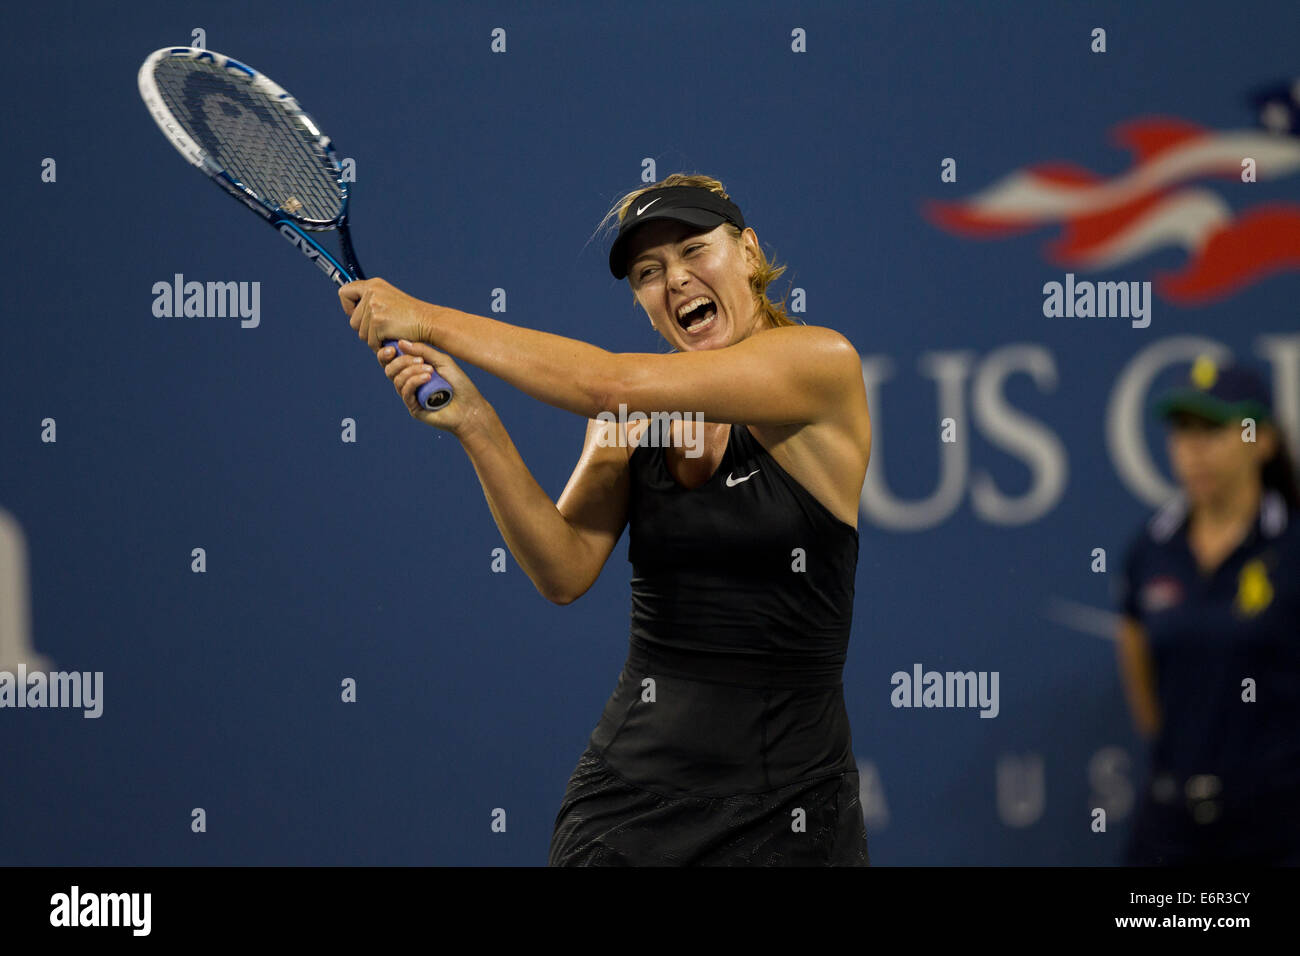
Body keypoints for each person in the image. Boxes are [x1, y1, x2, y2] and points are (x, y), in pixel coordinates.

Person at [338, 173, 872, 865]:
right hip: (628, 808)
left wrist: (425, 317)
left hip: (794, 816)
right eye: (649, 272)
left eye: (693, 251)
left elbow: (608, 384)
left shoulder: (821, 365)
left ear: (748, 252)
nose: (674, 280)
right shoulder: (632, 421)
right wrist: (475, 423)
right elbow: (562, 570)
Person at [1115, 355, 1300, 865]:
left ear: (1262, 440)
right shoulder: (1150, 551)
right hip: (1171, 823)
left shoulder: (1291, 547)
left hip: (1279, 825)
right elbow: (1141, 674)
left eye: (1214, 429)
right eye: (1182, 431)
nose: (1194, 450)